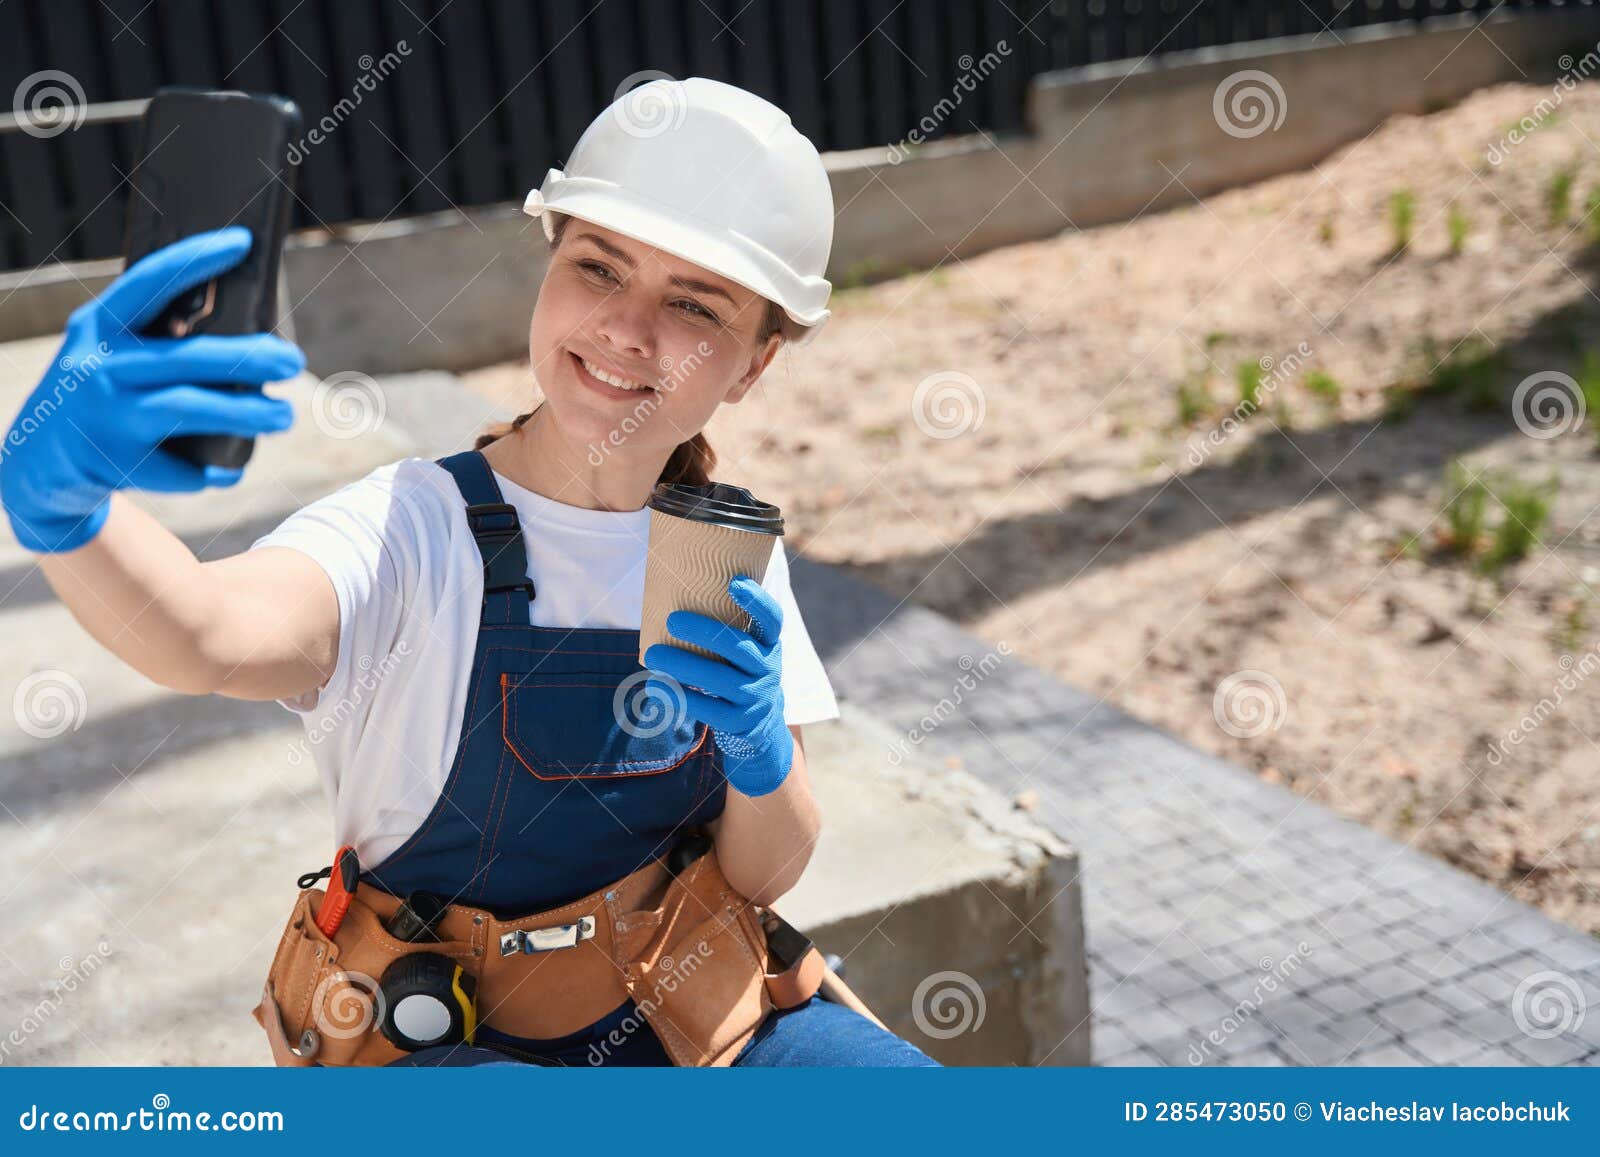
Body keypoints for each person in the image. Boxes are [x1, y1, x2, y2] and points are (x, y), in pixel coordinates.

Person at [1, 75, 938, 1068]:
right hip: (446, 1045)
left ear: (753, 363)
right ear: (549, 265)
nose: (626, 327)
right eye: (599, 268)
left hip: (685, 1008)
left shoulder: (723, 550)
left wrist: (762, 757)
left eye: (694, 302)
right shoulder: (408, 529)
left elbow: (764, 876)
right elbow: (209, 633)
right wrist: (66, 510)